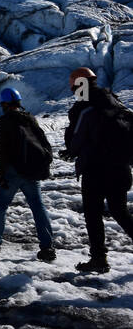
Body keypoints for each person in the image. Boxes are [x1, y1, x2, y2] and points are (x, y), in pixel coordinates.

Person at [62, 67, 133, 273]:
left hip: (96, 170)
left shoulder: (84, 108)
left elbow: (75, 140)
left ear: (78, 84)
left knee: (93, 214)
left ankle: (99, 259)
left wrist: (71, 151)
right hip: (121, 169)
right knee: (120, 211)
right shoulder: (116, 103)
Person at [0, 88, 56, 261]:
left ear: (4, 104)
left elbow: (1, 152)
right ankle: (47, 247)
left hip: (12, 171)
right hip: (31, 171)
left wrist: (1, 175)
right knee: (37, 206)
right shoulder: (30, 118)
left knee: (0, 206)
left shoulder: (3, 121)